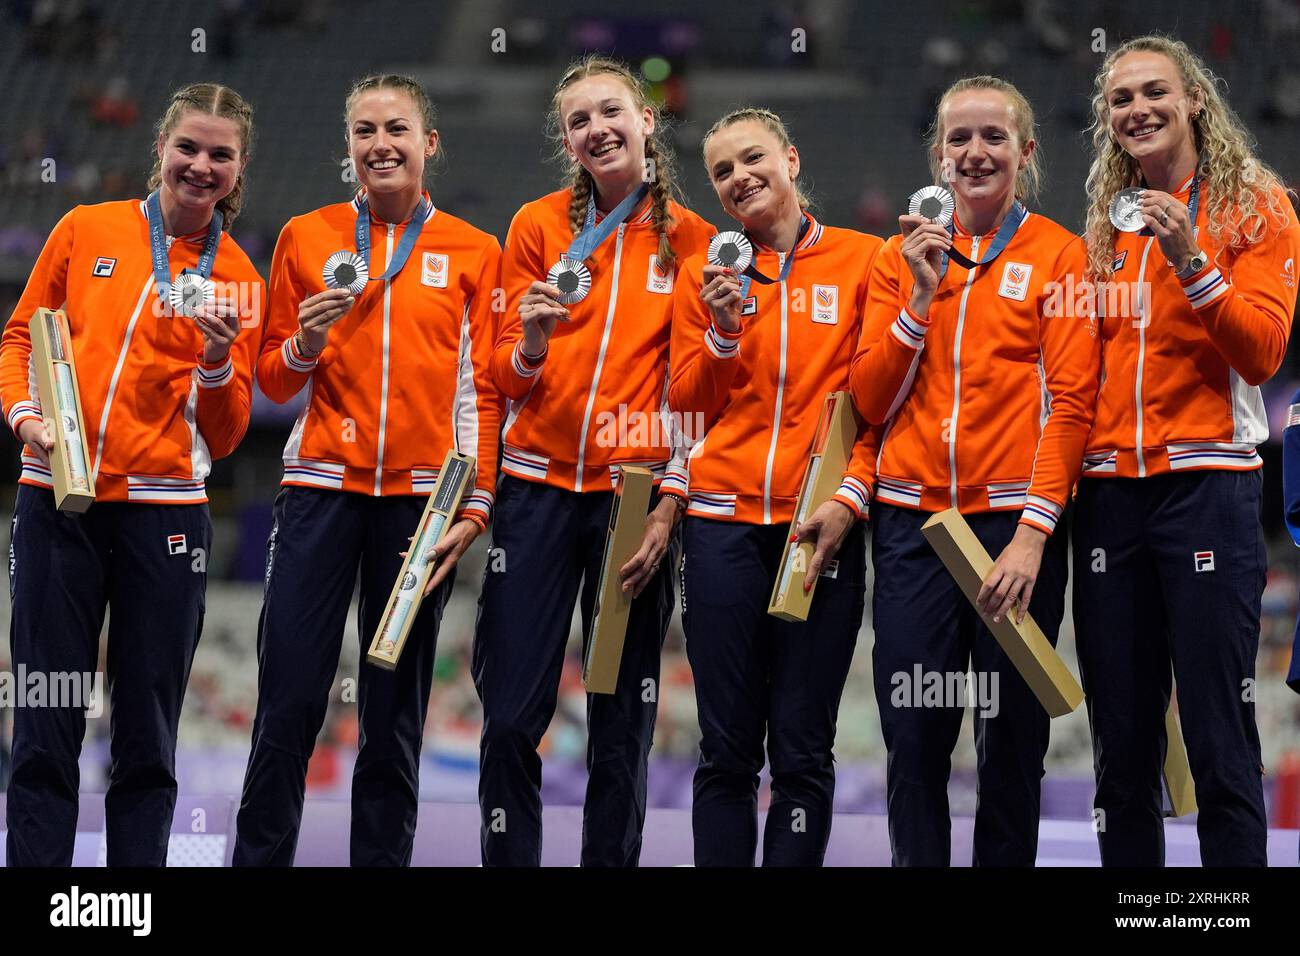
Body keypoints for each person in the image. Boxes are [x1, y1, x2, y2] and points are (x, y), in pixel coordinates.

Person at [233, 74, 501, 867]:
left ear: (429, 143)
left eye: (396, 128)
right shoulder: (306, 235)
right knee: (287, 702)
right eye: (363, 131)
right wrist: (304, 346)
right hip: (319, 489)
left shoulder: (471, 251)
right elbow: (273, 381)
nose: (379, 144)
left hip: (419, 509)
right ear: (348, 146)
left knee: (393, 713)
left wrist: (475, 503)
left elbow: (480, 394)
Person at [1, 83, 262, 866]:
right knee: (46, 718)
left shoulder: (241, 275)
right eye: (189, 146)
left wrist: (217, 363)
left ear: (239, 170)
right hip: (57, 500)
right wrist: (28, 421)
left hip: (167, 516)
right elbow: (20, 339)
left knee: (146, 733)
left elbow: (230, 428)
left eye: (220, 154)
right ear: (160, 147)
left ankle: (132, 903)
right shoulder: (86, 229)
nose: (200, 165)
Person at [850, 76, 1096, 866]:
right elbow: (869, 397)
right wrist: (918, 302)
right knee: (915, 738)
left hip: (1011, 528)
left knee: (1012, 742)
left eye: (994, 137)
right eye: (960, 139)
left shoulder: (1060, 254)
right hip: (914, 530)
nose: (975, 152)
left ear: (1026, 152)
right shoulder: (898, 257)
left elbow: (1072, 404)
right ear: (937, 155)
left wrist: (1033, 534)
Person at [476, 56, 713, 867]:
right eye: (578, 121)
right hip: (534, 492)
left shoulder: (695, 243)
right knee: (510, 714)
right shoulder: (536, 227)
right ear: (566, 140)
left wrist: (668, 508)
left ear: (648, 120)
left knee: (619, 722)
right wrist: (533, 344)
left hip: (630, 504)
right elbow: (500, 372)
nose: (596, 130)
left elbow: (697, 397)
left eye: (611, 112)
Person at [1075, 35, 1299, 867]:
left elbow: (1262, 354)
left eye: (1154, 92)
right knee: (1121, 742)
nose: (1137, 109)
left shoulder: (1260, 207)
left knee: (1216, 728)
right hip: (1106, 500)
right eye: (1120, 98)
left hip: (1207, 486)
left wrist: (1191, 261)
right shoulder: (1105, 221)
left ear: (1195, 98)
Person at [669, 107, 882, 866]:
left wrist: (851, 498)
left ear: (790, 159)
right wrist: (722, 334)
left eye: (752, 158)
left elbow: (883, 403)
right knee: (725, 748)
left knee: (801, 750)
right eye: (722, 172)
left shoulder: (865, 261)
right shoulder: (706, 273)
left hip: (816, 526)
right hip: (721, 525)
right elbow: (686, 409)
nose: (739, 178)